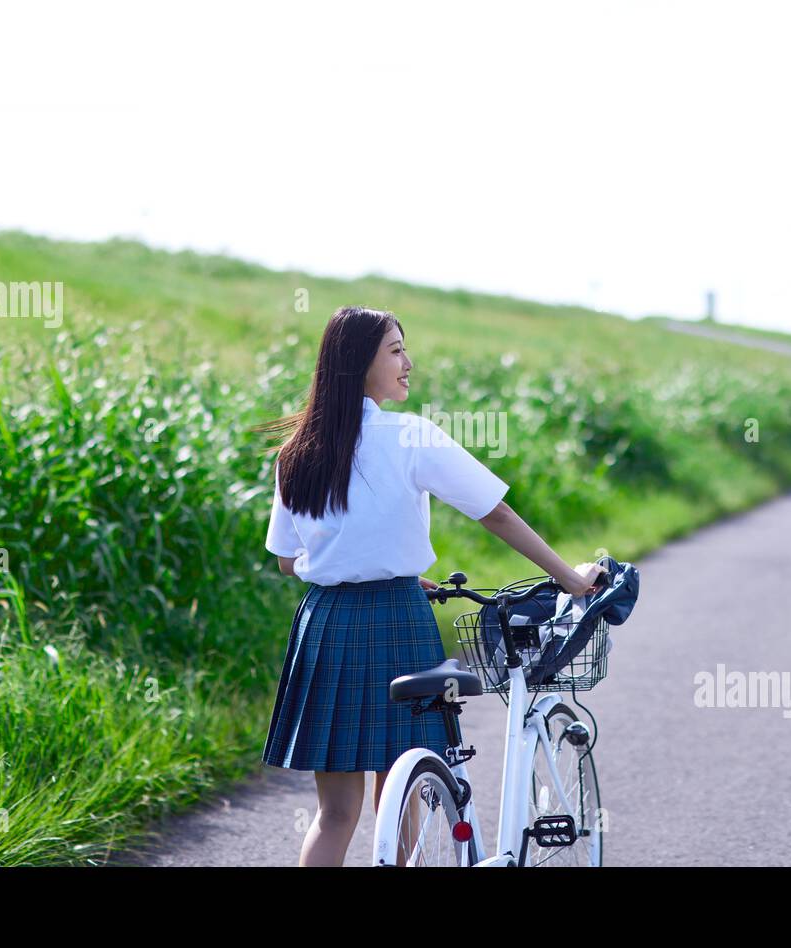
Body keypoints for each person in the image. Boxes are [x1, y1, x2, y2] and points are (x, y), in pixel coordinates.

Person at [255, 305, 603, 866]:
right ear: (359, 362)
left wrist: (354, 559)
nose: (407, 362)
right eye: (395, 350)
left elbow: (289, 562)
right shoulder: (411, 436)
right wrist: (569, 577)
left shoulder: (297, 452)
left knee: (335, 814)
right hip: (397, 614)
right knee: (407, 787)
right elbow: (496, 514)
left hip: (326, 624)